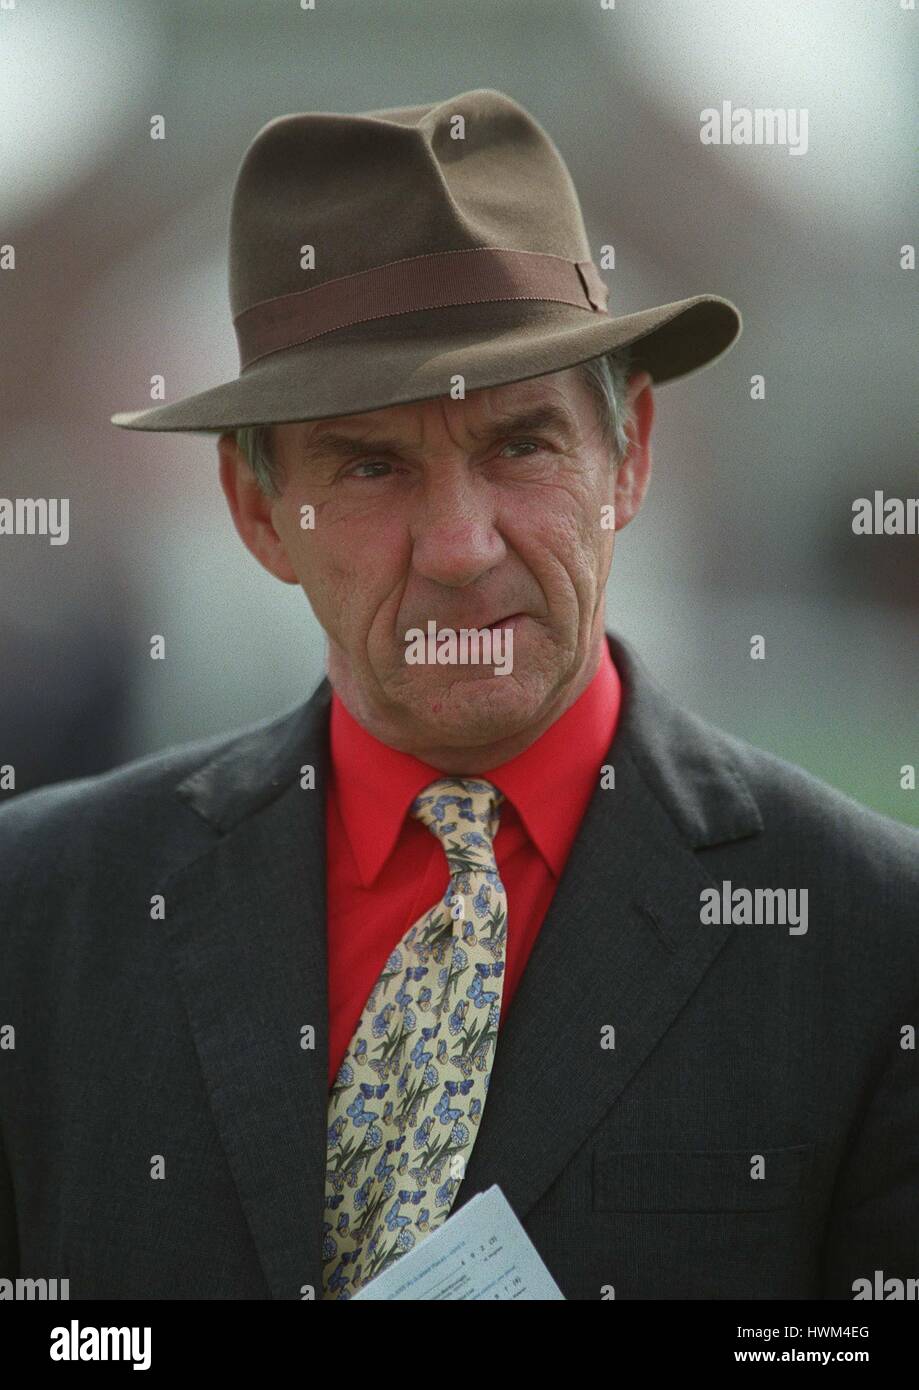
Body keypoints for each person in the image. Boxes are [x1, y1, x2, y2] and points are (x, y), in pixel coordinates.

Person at [1, 89, 916, 1302]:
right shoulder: (41, 918)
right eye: (371, 465)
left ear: (628, 455)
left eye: (520, 445)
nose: (458, 544)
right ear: (260, 512)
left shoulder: (872, 942)